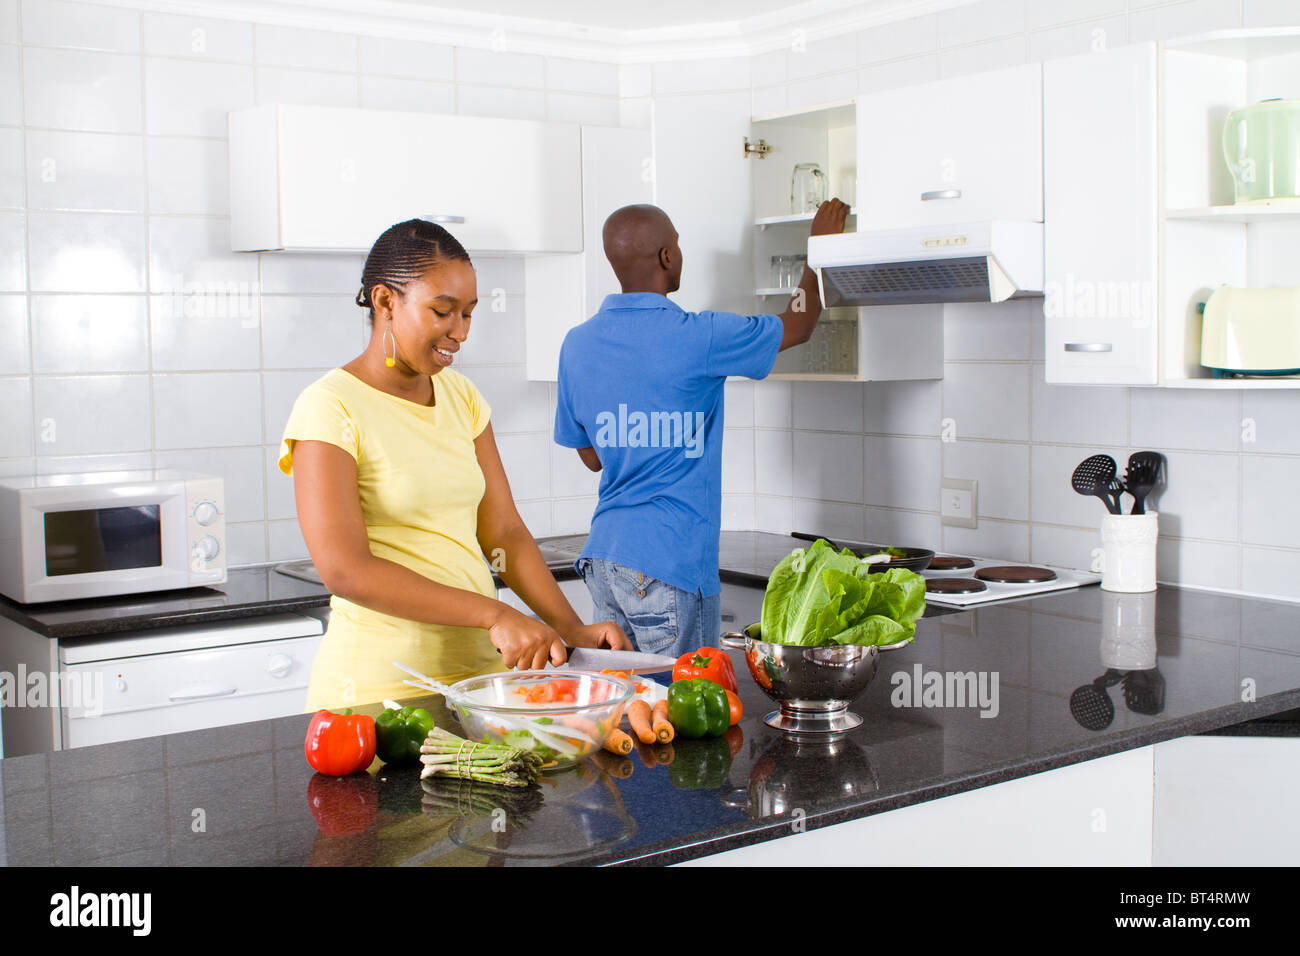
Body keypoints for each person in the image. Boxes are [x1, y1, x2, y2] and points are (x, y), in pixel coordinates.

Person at [280, 219, 631, 712]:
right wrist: (493, 614)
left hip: (483, 683)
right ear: (384, 302)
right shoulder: (330, 406)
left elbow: (503, 533)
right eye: (443, 312)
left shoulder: (462, 397)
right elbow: (345, 571)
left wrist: (571, 627)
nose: (460, 333)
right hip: (380, 690)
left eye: (468, 314)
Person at [554, 199, 850, 659]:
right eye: (678, 245)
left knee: (631, 716)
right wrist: (818, 254)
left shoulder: (576, 344)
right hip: (669, 561)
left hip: (606, 557)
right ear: (667, 256)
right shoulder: (701, 336)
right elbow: (800, 325)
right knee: (681, 712)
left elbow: (593, 457)